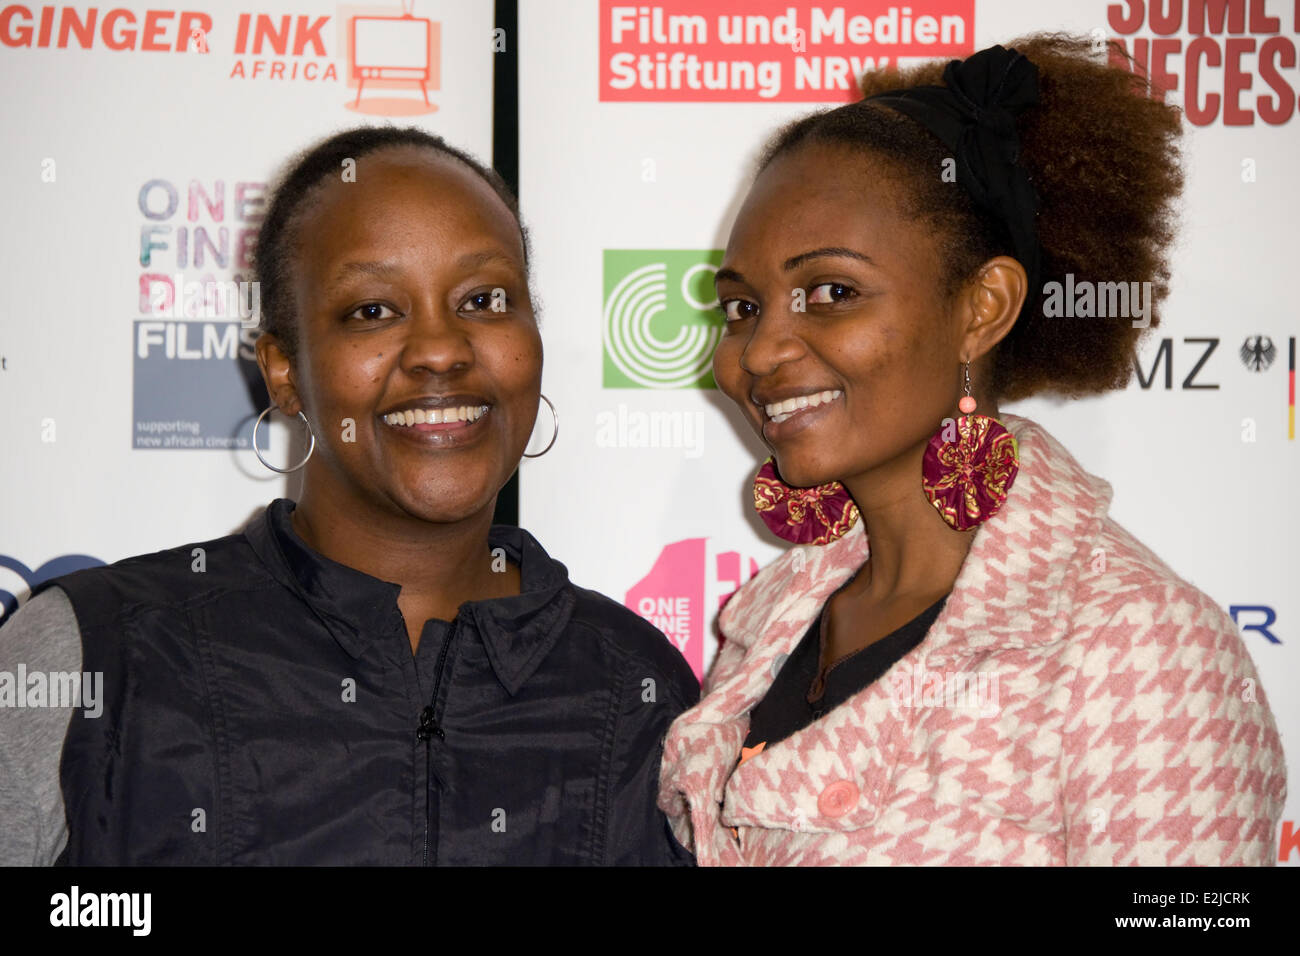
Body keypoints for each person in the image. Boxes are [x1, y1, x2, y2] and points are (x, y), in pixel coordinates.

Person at [657, 36, 1286, 865]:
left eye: (832, 293)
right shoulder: (776, 619)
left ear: (982, 308)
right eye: (742, 308)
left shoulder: (1142, 647)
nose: (763, 349)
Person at [0, 125, 698, 865]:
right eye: (372, 310)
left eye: (485, 299)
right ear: (283, 370)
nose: (440, 349)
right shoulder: (95, 654)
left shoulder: (640, 687)